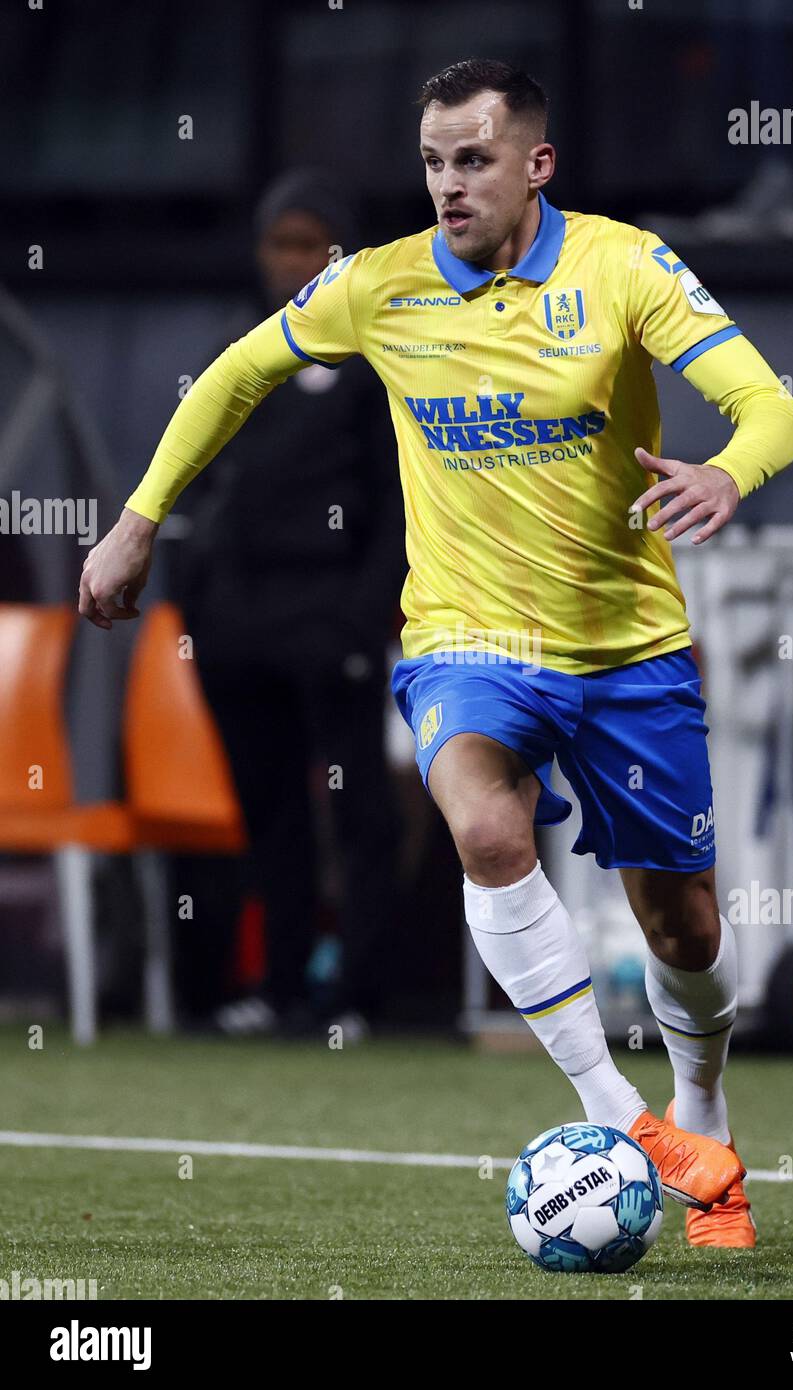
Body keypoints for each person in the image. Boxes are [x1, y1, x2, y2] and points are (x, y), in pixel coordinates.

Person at [79, 59, 793, 1245]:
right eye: (432, 162)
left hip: (627, 647)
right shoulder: (380, 286)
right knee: (482, 826)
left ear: (537, 163)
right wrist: (139, 515)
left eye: (473, 160)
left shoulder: (621, 266)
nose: (448, 186)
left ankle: (703, 1103)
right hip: (467, 638)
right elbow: (235, 373)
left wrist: (731, 467)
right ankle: (624, 1118)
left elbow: (775, 406)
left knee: (684, 927)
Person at [170, 170, 405, 1035]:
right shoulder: (240, 355)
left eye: (316, 246)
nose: (297, 262)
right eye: (283, 244)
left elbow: (398, 508)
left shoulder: (378, 361)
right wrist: (197, 598)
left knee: (358, 811)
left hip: (332, 617)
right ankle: (281, 987)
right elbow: (197, 479)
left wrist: (362, 616)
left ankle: (362, 994)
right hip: (238, 623)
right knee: (268, 810)